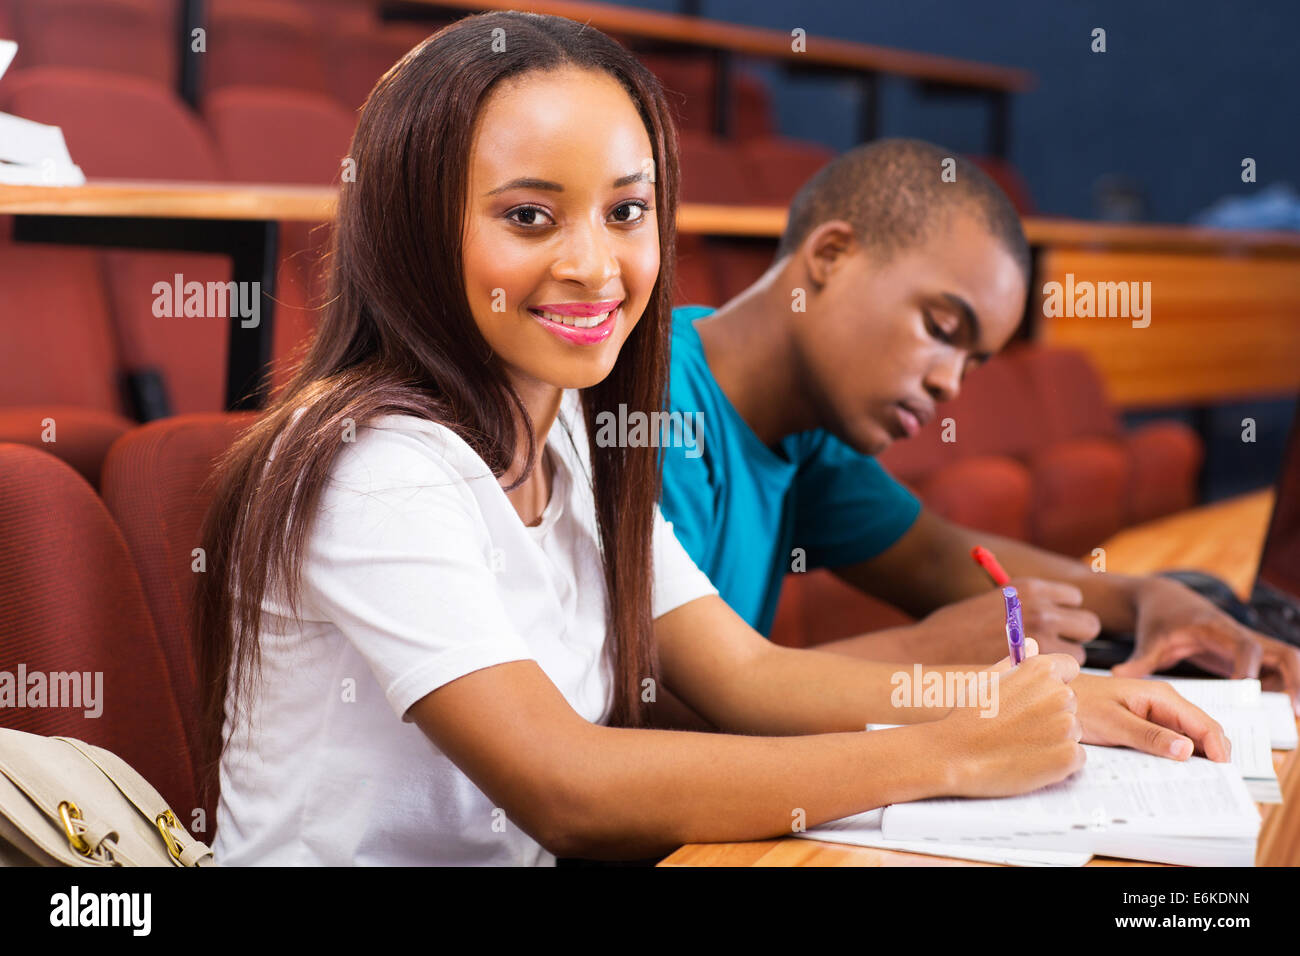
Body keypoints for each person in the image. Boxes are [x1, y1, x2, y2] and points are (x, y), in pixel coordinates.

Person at [193, 13, 1227, 867]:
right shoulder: (375, 466)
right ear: (418, 223)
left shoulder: (569, 443)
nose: (596, 265)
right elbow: (569, 784)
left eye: (626, 210)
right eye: (528, 216)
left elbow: (749, 674)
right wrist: (950, 750)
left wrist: (1048, 697)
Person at [659, 139, 1300, 713]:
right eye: (942, 330)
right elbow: (659, 716)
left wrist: (1146, 598)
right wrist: (929, 653)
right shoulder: (660, 405)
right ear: (831, 254)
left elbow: (937, 557)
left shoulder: (806, 432)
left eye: (974, 361)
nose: (950, 385)